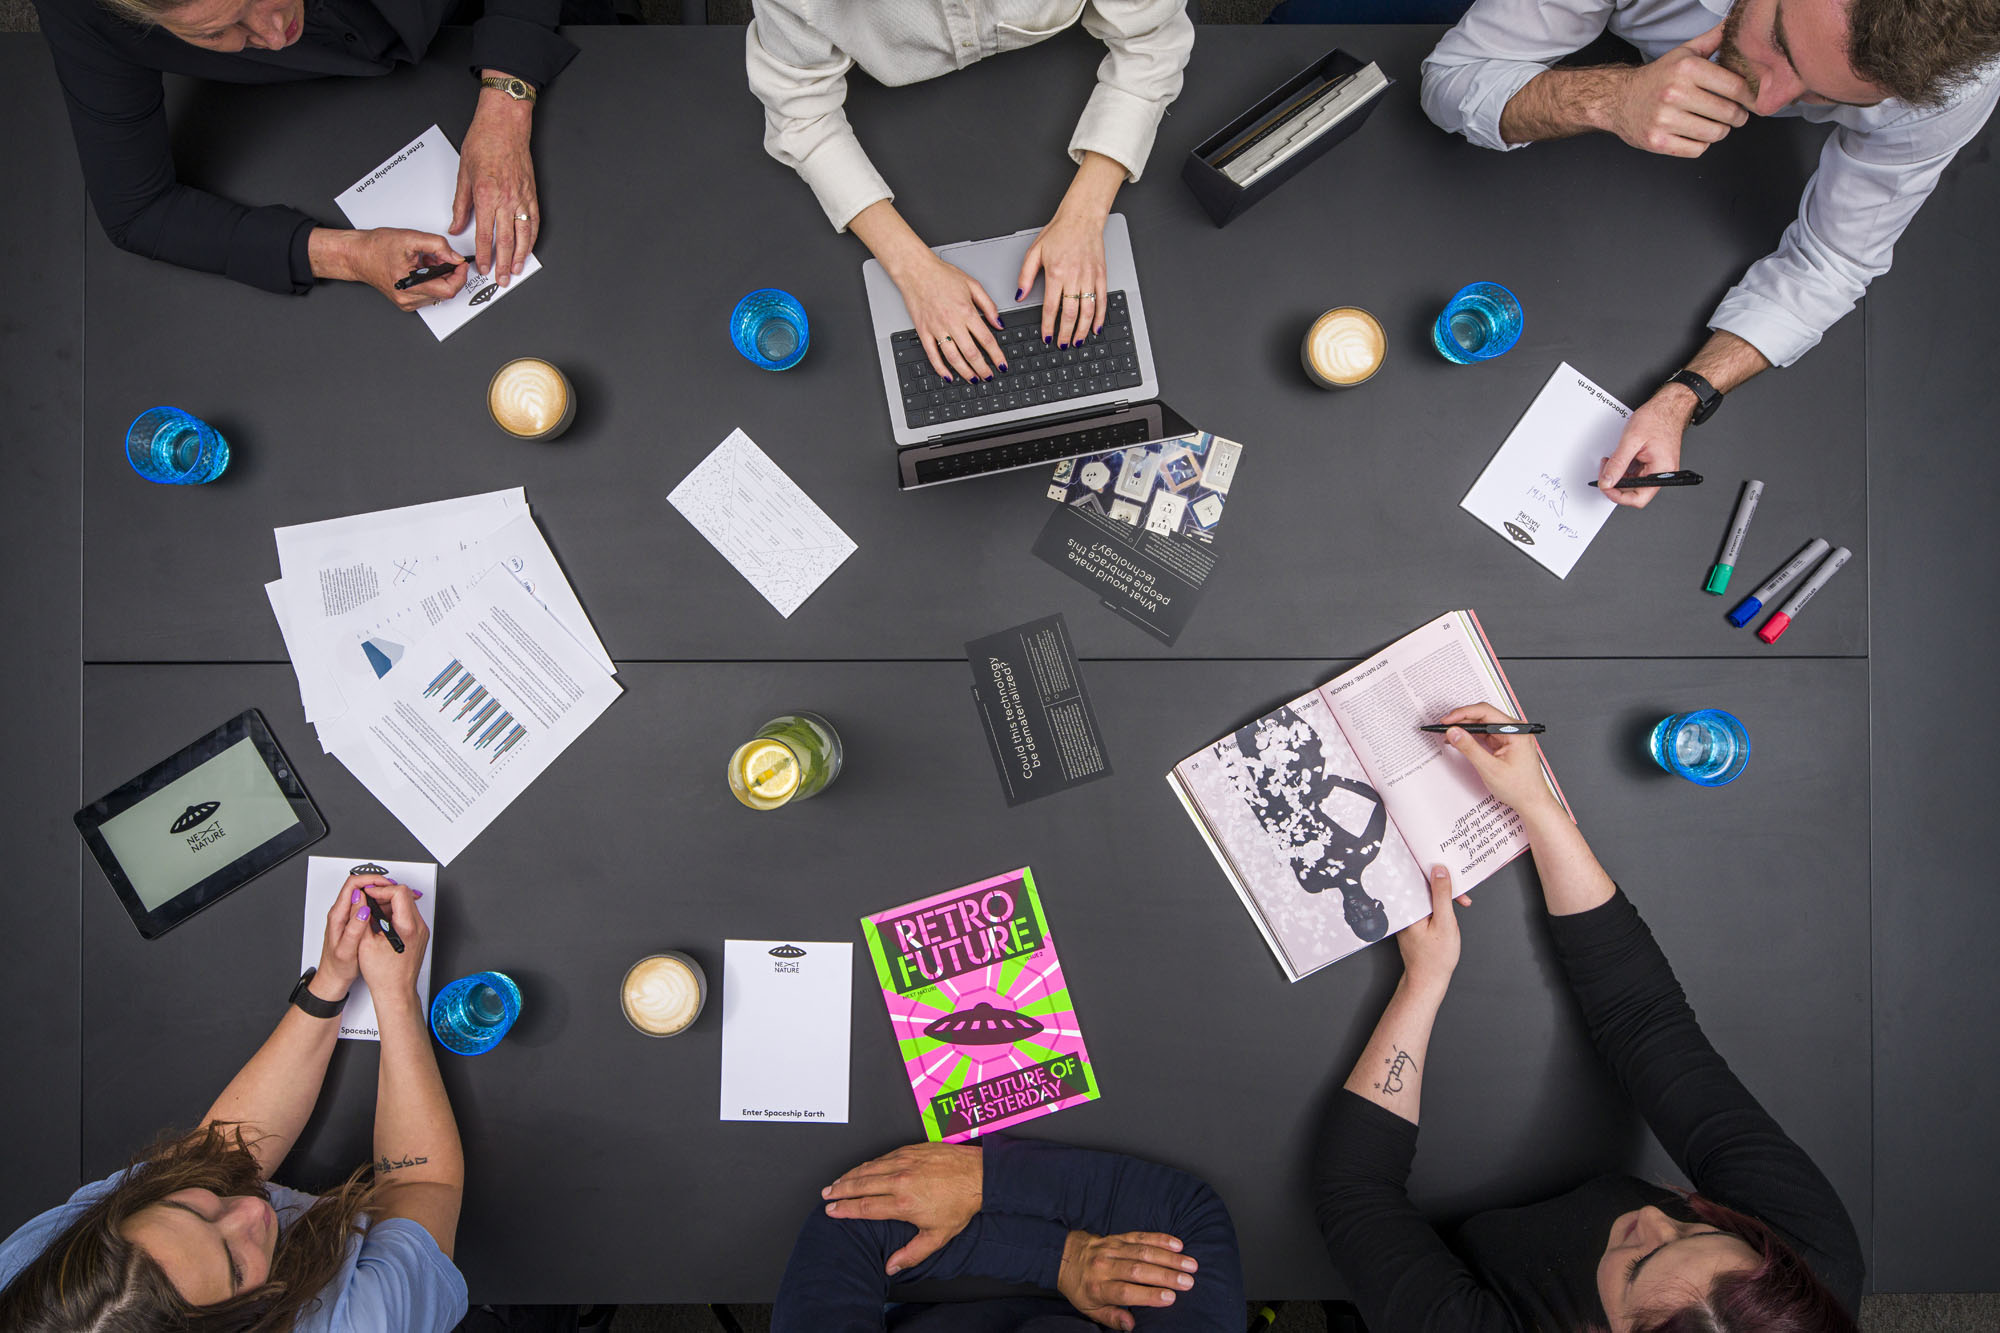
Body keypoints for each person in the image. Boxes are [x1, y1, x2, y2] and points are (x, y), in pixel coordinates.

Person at [1313, 702, 1863, 1332]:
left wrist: (1424, 982)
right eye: (1693, 1228)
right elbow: (1647, 1021)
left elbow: (1355, 1191)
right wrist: (1537, 805)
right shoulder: (1808, 1274)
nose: (1656, 1216)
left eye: (1638, 1264)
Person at [1421, 0, 2000, 507]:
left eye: (1822, 96)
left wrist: (1686, 395)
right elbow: (1451, 81)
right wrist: (1612, 97)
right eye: (1781, 46)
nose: (1767, 105)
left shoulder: (1955, 82)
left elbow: (1834, 262)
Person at [0, 872, 467, 1331]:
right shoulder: (366, 1323)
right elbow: (421, 1184)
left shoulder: (48, 1275)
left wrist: (329, 982)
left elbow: (221, 1156)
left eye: (190, 1209)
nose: (249, 1207)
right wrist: (396, 995)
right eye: (235, 1269)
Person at [33, 0, 604, 312]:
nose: (277, 32)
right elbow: (139, 212)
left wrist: (508, 95)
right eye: (218, 32)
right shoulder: (84, 12)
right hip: (323, 106)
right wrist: (348, 255)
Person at [745, 1, 1194, 383]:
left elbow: (1152, 41)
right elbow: (800, 113)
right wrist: (912, 270)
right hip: (897, 120)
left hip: (1055, 75)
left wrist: (1085, 215)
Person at [774, 1136, 1243, 1331]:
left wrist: (1056, 1258)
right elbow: (1188, 1217)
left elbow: (853, 1221)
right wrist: (986, 1179)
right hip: (1093, 1272)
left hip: (918, 1294)